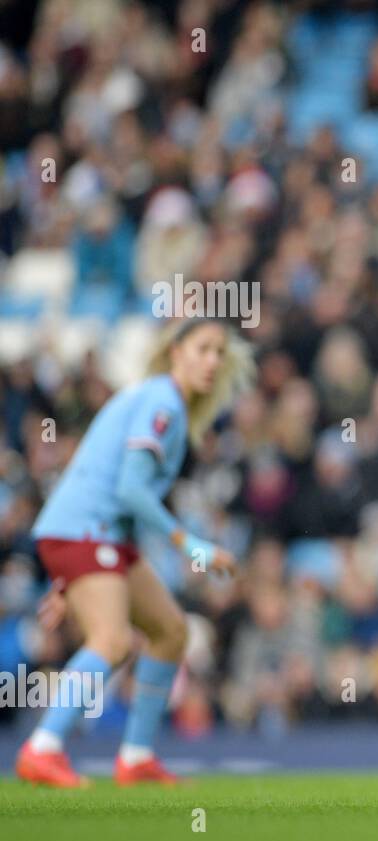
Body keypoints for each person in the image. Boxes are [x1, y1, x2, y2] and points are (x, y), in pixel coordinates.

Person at [16, 316, 252, 788]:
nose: (212, 361)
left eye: (219, 354)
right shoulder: (162, 402)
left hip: (100, 536)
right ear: (175, 351)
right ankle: (42, 748)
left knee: (170, 631)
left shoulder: (166, 404)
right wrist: (193, 546)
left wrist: (71, 578)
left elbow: (106, 480)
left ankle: (137, 757)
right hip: (89, 531)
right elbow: (130, 491)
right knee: (113, 639)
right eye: (203, 349)